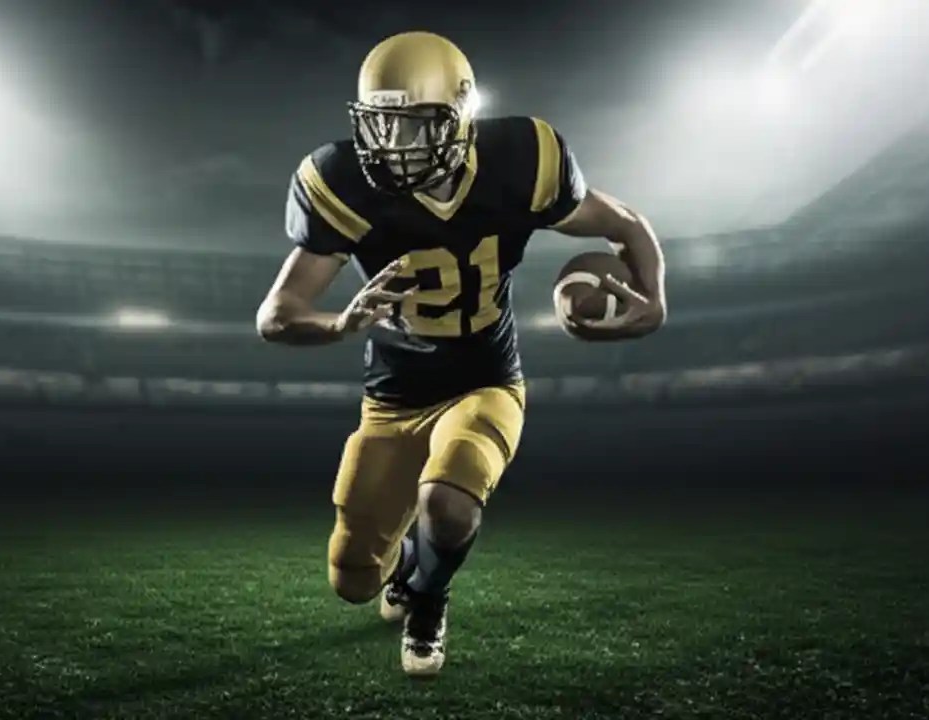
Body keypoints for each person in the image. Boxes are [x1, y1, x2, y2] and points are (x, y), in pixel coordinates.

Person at [255, 30, 666, 677]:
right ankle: (406, 567)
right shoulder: (343, 182)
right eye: (381, 124)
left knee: (448, 505)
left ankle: (429, 596)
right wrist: (341, 323)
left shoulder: (523, 160)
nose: (394, 145)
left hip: (486, 378)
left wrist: (654, 298)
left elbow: (624, 224)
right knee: (352, 580)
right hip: (392, 396)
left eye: (416, 124)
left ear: (461, 115)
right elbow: (276, 315)